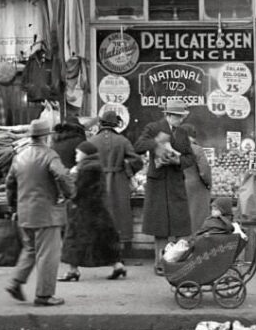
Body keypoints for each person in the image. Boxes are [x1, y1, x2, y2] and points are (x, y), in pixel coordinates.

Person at [4, 117, 74, 306]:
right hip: (47, 214)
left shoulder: (20, 156)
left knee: (30, 250)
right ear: (45, 137)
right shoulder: (49, 155)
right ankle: (44, 295)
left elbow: (9, 184)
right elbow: (60, 174)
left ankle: (15, 282)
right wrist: (68, 194)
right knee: (48, 255)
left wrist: (13, 207)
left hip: (25, 212)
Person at [134, 98, 194, 275]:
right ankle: (160, 264)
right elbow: (138, 146)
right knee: (160, 227)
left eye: (182, 116)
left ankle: (176, 263)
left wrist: (178, 160)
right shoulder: (153, 128)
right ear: (168, 115)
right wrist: (157, 144)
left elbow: (190, 157)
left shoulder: (183, 133)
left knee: (179, 225)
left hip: (175, 182)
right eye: (177, 116)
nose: (180, 120)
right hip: (158, 182)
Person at [59, 141, 126, 282]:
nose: (76, 155)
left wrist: (70, 195)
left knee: (74, 239)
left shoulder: (84, 169)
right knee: (103, 239)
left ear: (85, 154)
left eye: (78, 152)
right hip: (98, 209)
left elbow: (78, 190)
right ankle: (117, 265)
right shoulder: (95, 166)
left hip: (82, 210)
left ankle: (73, 270)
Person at [90, 110, 144, 254]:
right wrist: (126, 168)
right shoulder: (123, 141)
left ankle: (100, 251)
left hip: (98, 180)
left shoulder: (92, 141)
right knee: (120, 214)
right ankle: (122, 250)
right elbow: (137, 161)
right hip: (118, 181)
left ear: (101, 123)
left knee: (100, 213)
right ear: (115, 123)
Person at [180, 123, 212, 235]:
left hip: (179, 188)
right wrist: (209, 184)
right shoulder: (197, 149)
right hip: (196, 189)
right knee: (197, 222)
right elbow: (205, 172)